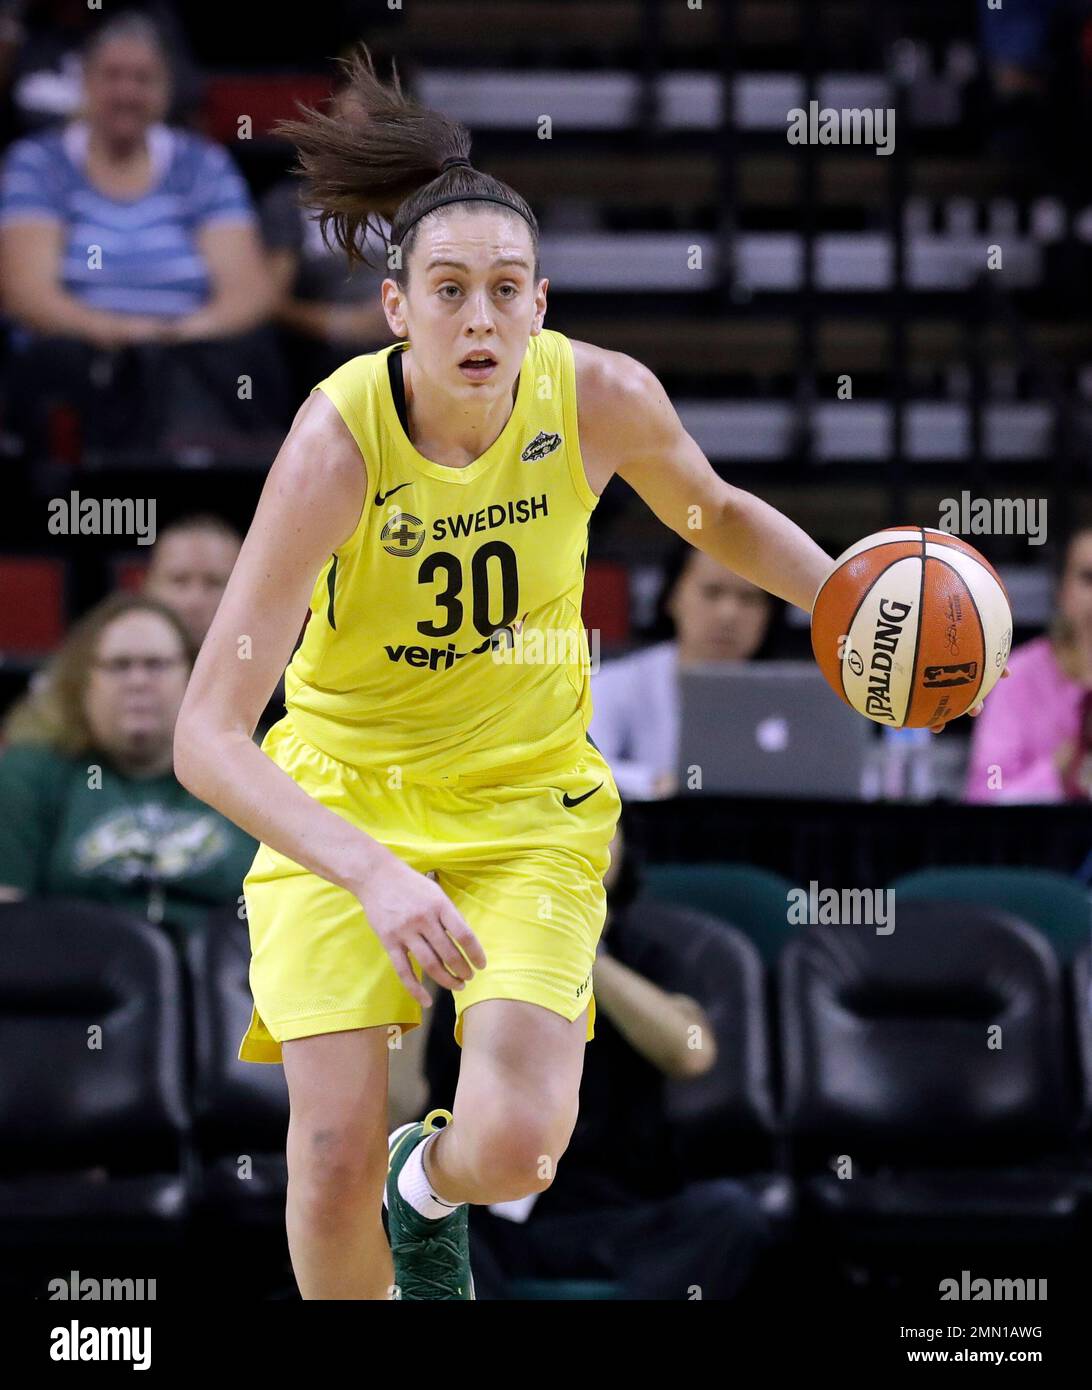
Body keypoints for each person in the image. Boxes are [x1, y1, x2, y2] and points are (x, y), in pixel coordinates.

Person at [171, 43, 993, 1303]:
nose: (480, 318)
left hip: (527, 801)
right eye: (448, 291)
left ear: (542, 305)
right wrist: (376, 872)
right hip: (345, 798)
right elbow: (208, 736)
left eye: (506, 290)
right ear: (398, 309)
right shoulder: (336, 444)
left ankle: (427, 1185)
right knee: (326, 1156)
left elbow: (713, 514)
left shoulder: (600, 396)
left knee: (517, 1147)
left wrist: (848, 601)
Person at [423, 815, 773, 1300]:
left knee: (731, 1215)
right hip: (486, 1215)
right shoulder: (461, 954)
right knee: (405, 1210)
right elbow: (402, 1104)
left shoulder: (648, 950)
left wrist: (577, 948)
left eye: (593, 820)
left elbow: (692, 1052)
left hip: (625, 1211)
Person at [0, 12, 286, 457]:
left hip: (188, 346)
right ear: (87, 84)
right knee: (63, 362)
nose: (126, 92)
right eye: (112, 76)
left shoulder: (203, 164)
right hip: (79, 348)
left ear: (165, 90)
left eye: (142, 78)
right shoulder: (38, 163)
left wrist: (174, 334)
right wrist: (118, 332)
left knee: (247, 358)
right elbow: (25, 293)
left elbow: (247, 292)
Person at [0, 592, 256, 939]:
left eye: (156, 665)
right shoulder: (29, 772)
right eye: (119, 665)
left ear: (192, 677)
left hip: (230, 981)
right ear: (83, 682)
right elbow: (8, 922)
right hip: (80, 981)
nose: (138, 681)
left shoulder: (251, 768)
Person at [591, 537, 790, 799]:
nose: (728, 613)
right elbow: (577, 770)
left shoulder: (791, 697)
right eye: (712, 592)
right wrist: (657, 784)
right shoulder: (612, 684)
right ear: (673, 597)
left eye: (749, 598)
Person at [965, 525, 1092, 803]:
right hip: (1043, 844)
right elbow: (985, 792)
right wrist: (1055, 770)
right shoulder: (1018, 675)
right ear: (1062, 590)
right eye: (1088, 578)